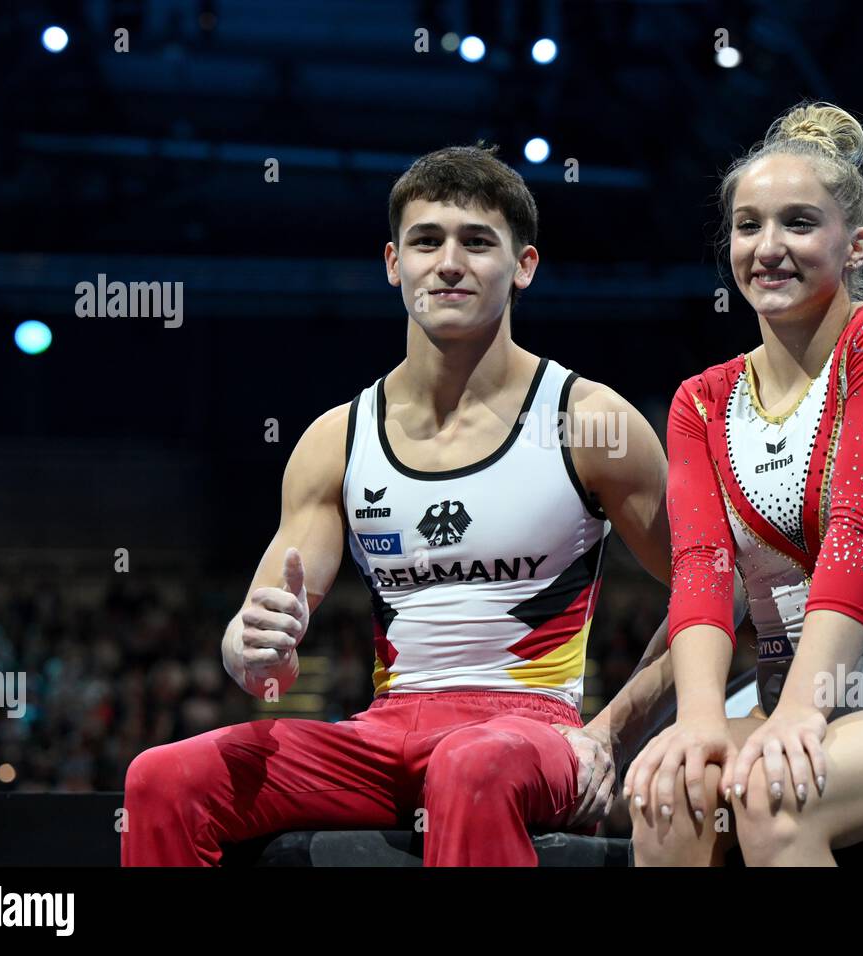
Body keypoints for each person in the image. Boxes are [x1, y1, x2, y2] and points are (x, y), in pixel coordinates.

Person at [121, 144, 732, 866]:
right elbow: (259, 657)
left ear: (524, 265)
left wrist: (608, 732)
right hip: (385, 733)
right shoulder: (337, 439)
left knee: (469, 765)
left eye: (477, 242)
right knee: (161, 778)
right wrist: (246, 647)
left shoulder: (588, 421)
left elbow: (718, 594)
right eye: (426, 241)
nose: (449, 263)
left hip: (527, 734)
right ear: (392, 263)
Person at [624, 101, 863, 866]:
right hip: (795, 720)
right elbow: (702, 570)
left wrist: (803, 707)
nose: (768, 248)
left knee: (773, 794)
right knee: (669, 797)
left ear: (855, 243)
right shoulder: (701, 402)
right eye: (748, 227)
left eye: (799, 224)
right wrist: (702, 720)